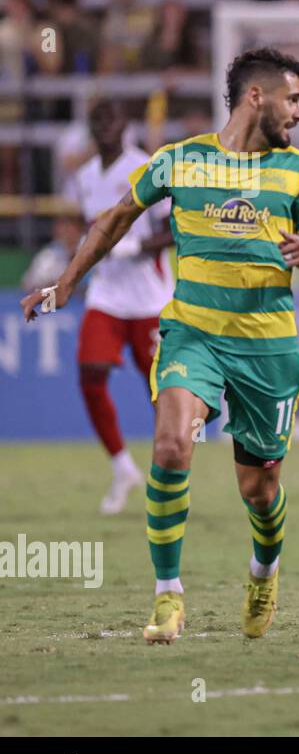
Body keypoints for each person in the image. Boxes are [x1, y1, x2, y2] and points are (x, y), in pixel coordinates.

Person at [20, 48, 299, 644]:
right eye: (293, 99)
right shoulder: (180, 160)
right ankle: (169, 598)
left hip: (268, 349)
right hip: (193, 333)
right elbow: (115, 218)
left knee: (258, 489)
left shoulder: (298, 170)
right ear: (257, 97)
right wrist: (66, 284)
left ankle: (263, 572)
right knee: (170, 446)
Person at [65, 100, 173, 515]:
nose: (107, 125)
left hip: (149, 297)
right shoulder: (84, 177)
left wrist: (133, 247)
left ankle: (168, 476)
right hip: (107, 295)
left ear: (125, 123)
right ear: (91, 128)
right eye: (100, 119)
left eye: (113, 117)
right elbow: (87, 232)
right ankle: (122, 467)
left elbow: (173, 230)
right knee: (90, 373)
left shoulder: (146, 168)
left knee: (165, 395)